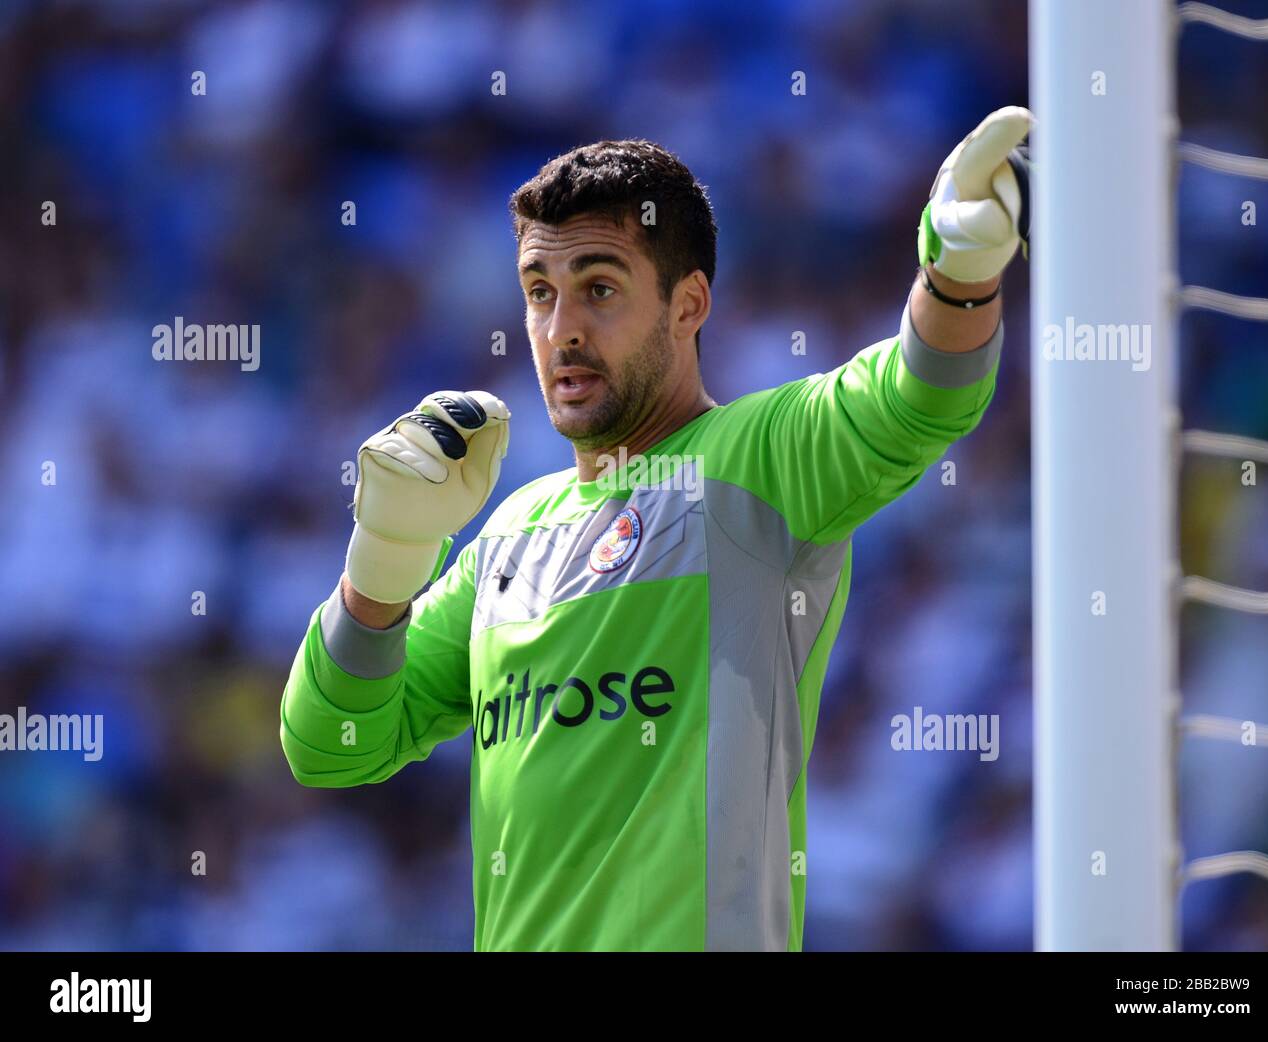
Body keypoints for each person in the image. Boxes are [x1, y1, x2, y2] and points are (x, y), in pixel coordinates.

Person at [279, 107, 1033, 951]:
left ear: (688, 305)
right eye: (539, 292)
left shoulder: (755, 459)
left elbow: (917, 397)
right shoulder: (510, 535)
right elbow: (331, 746)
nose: (560, 327)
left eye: (599, 288)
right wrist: (383, 562)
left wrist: (957, 270)